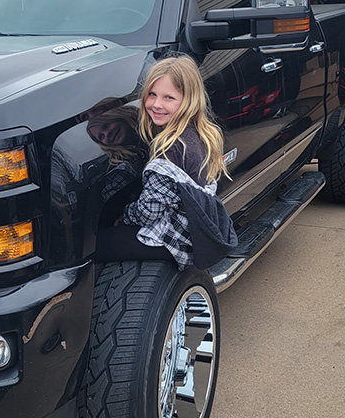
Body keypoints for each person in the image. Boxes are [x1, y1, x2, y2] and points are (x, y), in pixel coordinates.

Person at [95, 55, 238, 269]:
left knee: (100, 243)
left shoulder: (170, 147)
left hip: (178, 238)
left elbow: (149, 211)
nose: (156, 104)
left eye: (168, 98)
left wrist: (125, 216)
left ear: (188, 100)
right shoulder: (197, 133)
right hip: (197, 225)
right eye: (152, 94)